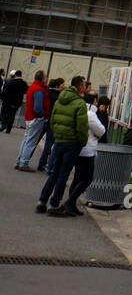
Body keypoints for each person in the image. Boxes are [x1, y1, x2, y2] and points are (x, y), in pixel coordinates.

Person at [37, 75, 88, 216]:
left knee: (55, 172)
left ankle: (42, 201)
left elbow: (53, 119)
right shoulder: (79, 103)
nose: (84, 87)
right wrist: (82, 141)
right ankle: (54, 204)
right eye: (83, 85)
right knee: (63, 174)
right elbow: (82, 127)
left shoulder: (60, 99)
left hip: (59, 140)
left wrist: (58, 134)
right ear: (79, 87)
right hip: (72, 143)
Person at [62, 99, 106, 215]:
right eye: (95, 101)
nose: (97, 104)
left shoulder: (77, 111)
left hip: (78, 147)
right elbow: (100, 130)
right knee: (87, 178)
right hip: (88, 149)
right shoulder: (90, 114)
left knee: (77, 177)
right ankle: (70, 201)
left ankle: (72, 204)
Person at [15, 70, 51, 170]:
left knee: (26, 140)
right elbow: (38, 107)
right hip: (36, 118)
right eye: (45, 76)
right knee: (31, 142)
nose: (46, 78)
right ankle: (24, 163)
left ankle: (19, 161)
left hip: (29, 116)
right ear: (43, 78)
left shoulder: (33, 87)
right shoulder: (39, 90)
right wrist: (42, 116)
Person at [37, 78, 65, 171]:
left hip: (44, 119)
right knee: (48, 145)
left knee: (35, 140)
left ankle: (25, 159)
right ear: (58, 85)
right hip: (53, 122)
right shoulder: (60, 97)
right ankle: (42, 163)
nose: (63, 86)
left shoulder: (46, 93)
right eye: (62, 85)